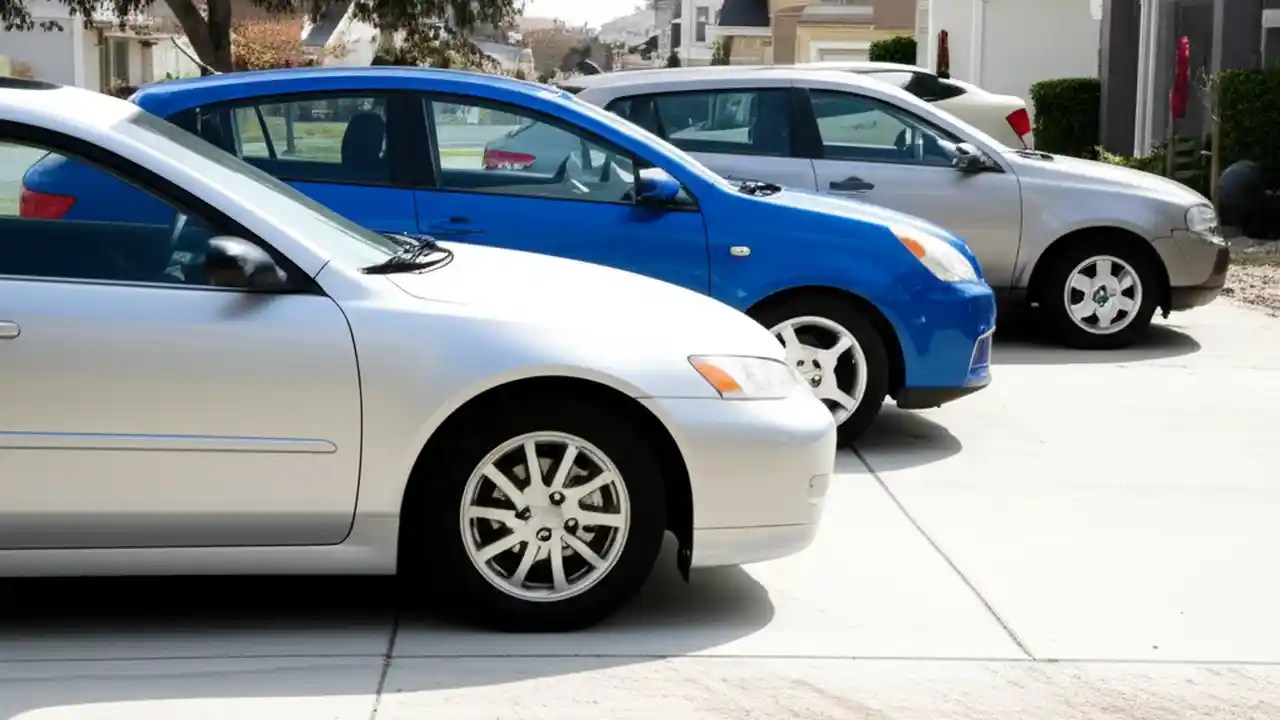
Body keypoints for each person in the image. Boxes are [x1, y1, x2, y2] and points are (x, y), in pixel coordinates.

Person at [1218, 159, 1279, 240]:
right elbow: (1261, 199)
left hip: (1221, 208)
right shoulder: (1256, 174)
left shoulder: (1244, 168)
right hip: (1238, 207)